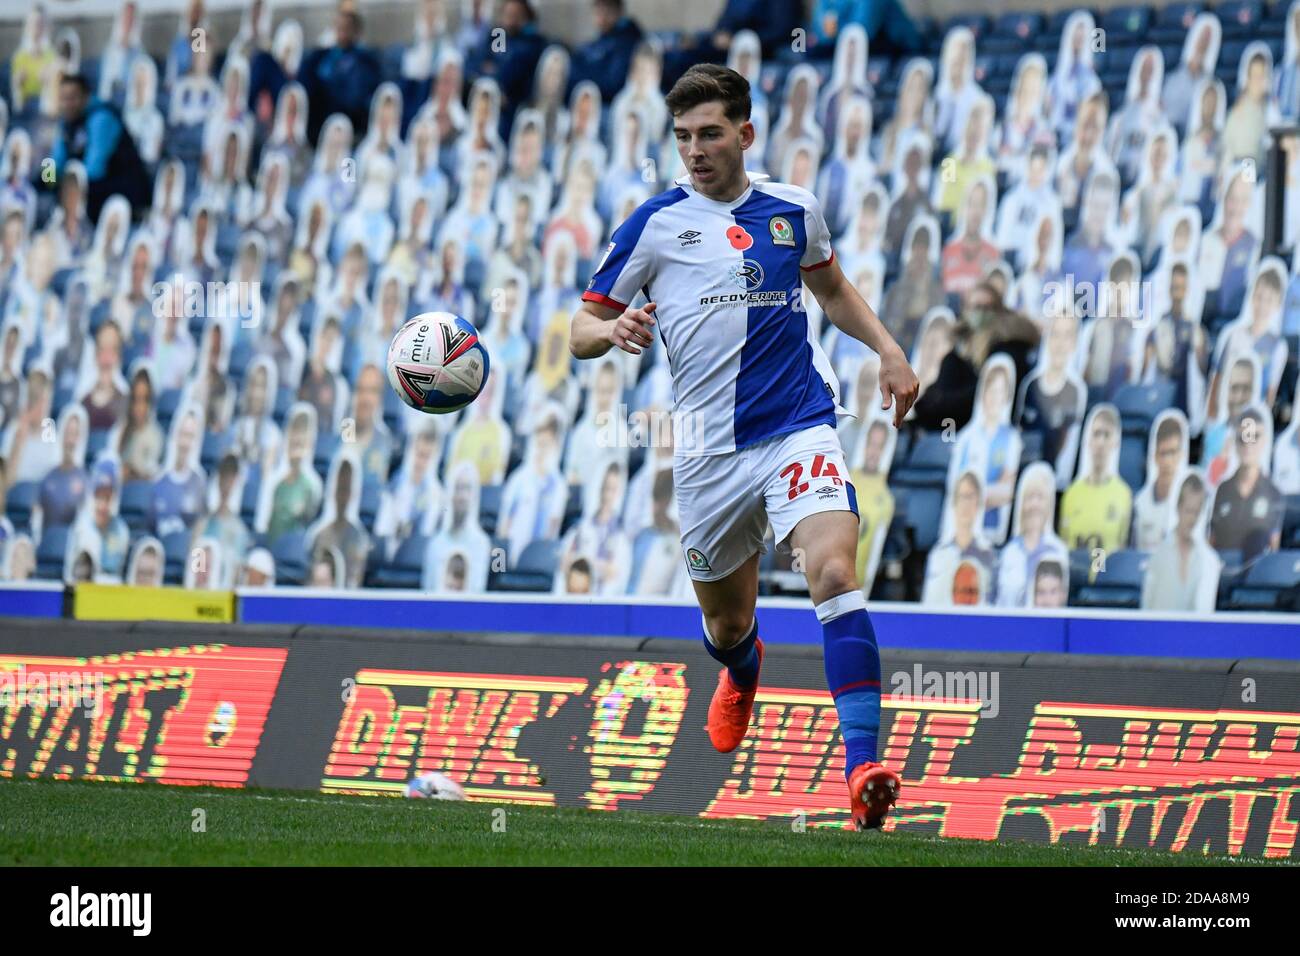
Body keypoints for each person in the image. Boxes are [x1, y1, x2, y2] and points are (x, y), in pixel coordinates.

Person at [570, 64, 919, 829]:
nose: (695, 150)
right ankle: (743, 671)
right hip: (705, 455)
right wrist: (612, 328)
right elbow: (579, 329)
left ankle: (862, 772)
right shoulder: (654, 224)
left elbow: (829, 289)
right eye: (684, 137)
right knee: (728, 626)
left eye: (710, 134)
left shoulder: (793, 210)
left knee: (831, 570)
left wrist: (888, 350)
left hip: (798, 425)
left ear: (746, 135)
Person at [51, 74, 149, 221]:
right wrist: (48, 182)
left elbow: (94, 170)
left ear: (85, 97)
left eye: (72, 98)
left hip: (122, 190)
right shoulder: (66, 123)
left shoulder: (102, 118)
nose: (67, 104)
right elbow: (54, 160)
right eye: (63, 98)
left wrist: (63, 187)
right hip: (93, 187)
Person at [1209, 408, 1284, 563]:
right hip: (1222, 572)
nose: (1248, 445)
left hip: (1252, 577)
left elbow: (1273, 550)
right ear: (1235, 442)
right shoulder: (1222, 490)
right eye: (1243, 438)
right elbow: (1212, 541)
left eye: (1254, 437)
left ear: (1264, 441)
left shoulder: (1274, 493)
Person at [299, 5, 381, 145]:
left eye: (346, 27)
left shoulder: (365, 61)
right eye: (338, 26)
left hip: (349, 117)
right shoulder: (320, 57)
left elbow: (357, 96)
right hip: (320, 117)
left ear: (356, 32)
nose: (341, 31)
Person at [1142, 470, 1220, 613]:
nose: (1192, 520)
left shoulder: (1209, 561)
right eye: (1189, 511)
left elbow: (1206, 614)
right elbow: (1147, 610)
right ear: (1178, 508)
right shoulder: (1158, 556)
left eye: (1197, 512)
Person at [1058, 404, 1132, 554]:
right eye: (1096, 434)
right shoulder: (1071, 494)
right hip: (1076, 574)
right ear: (1088, 440)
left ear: (1115, 443)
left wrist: (1098, 570)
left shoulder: (1124, 494)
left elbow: (1122, 549)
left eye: (1107, 435)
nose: (1101, 442)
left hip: (1108, 575)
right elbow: (1064, 545)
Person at [570, 0, 643, 105]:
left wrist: (585, 80)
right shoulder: (595, 43)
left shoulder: (628, 42)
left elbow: (613, 84)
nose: (600, 13)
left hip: (610, 106)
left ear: (617, 10)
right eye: (597, 7)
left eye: (605, 7)